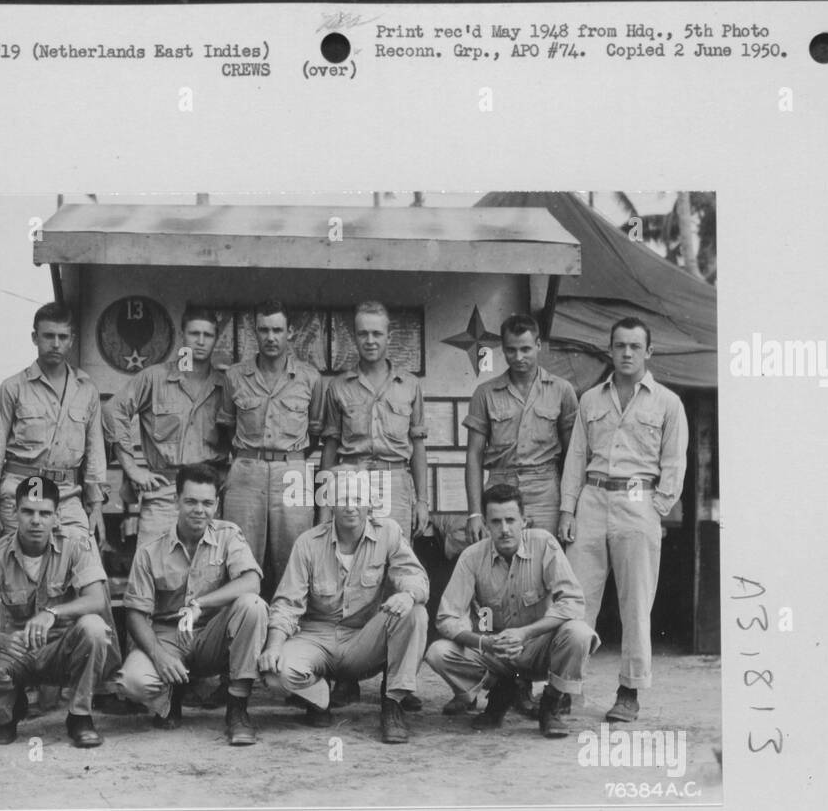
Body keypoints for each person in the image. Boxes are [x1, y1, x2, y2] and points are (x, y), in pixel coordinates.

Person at [558, 317, 689, 723]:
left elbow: (674, 461)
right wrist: (568, 508)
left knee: (636, 605)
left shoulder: (667, 402)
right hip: (594, 499)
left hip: (638, 501)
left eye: (635, 346)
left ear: (649, 352)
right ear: (610, 350)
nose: (627, 353)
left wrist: (657, 506)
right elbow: (576, 456)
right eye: (620, 346)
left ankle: (629, 690)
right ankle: (565, 690)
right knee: (577, 601)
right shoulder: (590, 400)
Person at [258, 467, 430, 744]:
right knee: (275, 673)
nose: (351, 507)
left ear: (370, 505)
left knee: (415, 613)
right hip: (317, 637)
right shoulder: (308, 543)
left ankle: (393, 704)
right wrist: (275, 644)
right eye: (343, 499)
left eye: (358, 500)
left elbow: (415, 577)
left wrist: (408, 594)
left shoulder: (389, 532)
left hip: (363, 638)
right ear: (331, 505)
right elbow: (287, 603)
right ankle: (319, 697)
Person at [319, 301, 430, 711]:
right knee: (349, 575)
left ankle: (398, 682)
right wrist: (324, 497)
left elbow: (418, 444)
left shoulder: (409, 385)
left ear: (389, 337)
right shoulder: (339, 386)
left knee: (397, 576)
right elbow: (330, 443)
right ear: (354, 336)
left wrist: (422, 499)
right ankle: (346, 675)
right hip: (351, 477)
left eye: (377, 333)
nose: (370, 340)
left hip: (396, 479)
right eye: (362, 333)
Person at [115, 464, 269, 746]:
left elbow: (251, 582)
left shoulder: (228, 535)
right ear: (176, 501)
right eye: (191, 501)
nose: (200, 510)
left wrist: (201, 604)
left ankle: (237, 708)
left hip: (211, 635)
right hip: (168, 639)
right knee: (133, 682)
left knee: (253, 605)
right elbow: (135, 615)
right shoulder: (151, 550)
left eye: (208, 503)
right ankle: (169, 695)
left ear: (217, 504)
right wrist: (159, 657)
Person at [0, 477, 121, 748]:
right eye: (28, 512)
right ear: (14, 513)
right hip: (17, 650)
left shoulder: (76, 544)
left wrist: (52, 612)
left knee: (94, 628)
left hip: (62, 648)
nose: (37, 521)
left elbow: (96, 601)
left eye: (45, 513)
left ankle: (80, 716)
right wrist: (3, 641)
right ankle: (7, 713)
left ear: (57, 517)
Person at [425, 484, 596, 737]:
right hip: (496, 649)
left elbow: (572, 602)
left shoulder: (544, 544)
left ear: (524, 521)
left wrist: (525, 633)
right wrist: (485, 642)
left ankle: (551, 703)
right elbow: (447, 617)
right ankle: (501, 691)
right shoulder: (472, 557)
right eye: (496, 522)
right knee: (438, 652)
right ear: (485, 524)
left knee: (579, 633)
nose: (504, 529)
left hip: (538, 646)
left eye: (510, 520)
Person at [0, 302, 108, 542]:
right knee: (19, 573)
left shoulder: (87, 390)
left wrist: (96, 508)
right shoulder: (13, 388)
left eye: (62, 337)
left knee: (81, 565)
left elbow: (95, 453)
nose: (55, 343)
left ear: (72, 340)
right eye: (48, 336)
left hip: (67, 496)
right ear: (35, 337)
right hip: (19, 493)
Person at [219, 300, 325, 587]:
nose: (271, 337)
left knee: (294, 554)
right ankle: (241, 625)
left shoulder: (309, 378)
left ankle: (288, 626)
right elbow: (226, 426)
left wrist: (289, 458)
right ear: (255, 332)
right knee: (239, 552)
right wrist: (249, 455)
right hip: (246, 470)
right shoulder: (235, 376)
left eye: (277, 330)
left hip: (292, 470)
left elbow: (315, 431)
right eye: (264, 330)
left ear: (290, 332)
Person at [109, 307, 230, 551]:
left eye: (208, 335)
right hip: (164, 493)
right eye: (194, 333)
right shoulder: (155, 378)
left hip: (207, 495)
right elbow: (113, 411)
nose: (200, 341)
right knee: (152, 567)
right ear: (181, 335)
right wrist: (132, 469)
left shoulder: (225, 384)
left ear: (216, 339)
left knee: (207, 570)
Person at [463, 313, 579, 542]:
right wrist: (475, 512)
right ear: (503, 349)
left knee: (547, 559)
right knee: (499, 560)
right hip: (499, 486)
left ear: (538, 346)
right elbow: (473, 455)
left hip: (546, 489)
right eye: (511, 350)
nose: (518, 357)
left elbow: (573, 455)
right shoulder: (485, 393)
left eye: (525, 349)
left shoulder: (562, 390)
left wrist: (569, 508)